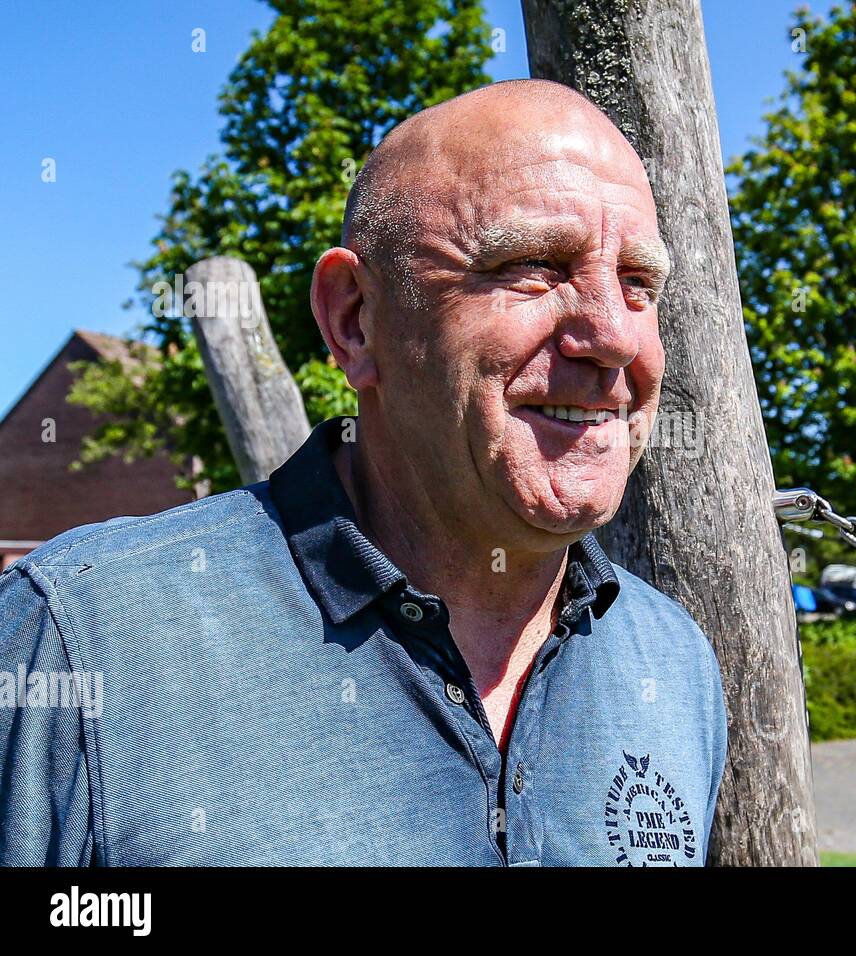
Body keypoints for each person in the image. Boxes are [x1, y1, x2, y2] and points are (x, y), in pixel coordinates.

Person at [0, 79, 727, 866]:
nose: (615, 337)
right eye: (536, 265)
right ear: (354, 317)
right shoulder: (80, 642)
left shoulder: (672, 662)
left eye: (639, 284)